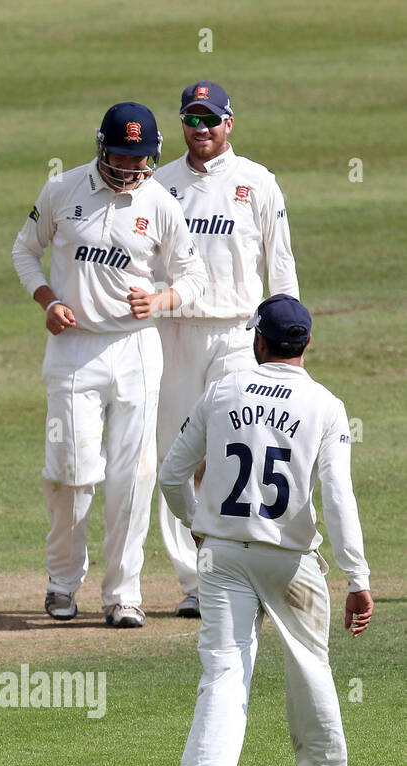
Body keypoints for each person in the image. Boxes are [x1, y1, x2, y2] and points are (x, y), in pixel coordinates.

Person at [159, 294, 374, 766]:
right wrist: (358, 579)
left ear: (258, 340)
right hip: (292, 561)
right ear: (307, 344)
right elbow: (340, 498)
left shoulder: (222, 391)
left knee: (225, 674)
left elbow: (170, 476)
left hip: (222, 555)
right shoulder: (326, 404)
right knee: (309, 667)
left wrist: (196, 524)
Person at [12, 102, 207, 627]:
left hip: (138, 348)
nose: (130, 169)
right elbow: (24, 251)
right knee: (70, 472)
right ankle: (61, 582)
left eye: (139, 159)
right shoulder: (63, 190)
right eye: (120, 157)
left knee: (135, 476)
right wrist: (48, 299)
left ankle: (123, 593)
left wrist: (162, 302)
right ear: (101, 149)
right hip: (74, 348)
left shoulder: (161, 202)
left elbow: (193, 276)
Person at [153, 81, 300, 619]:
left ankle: (249, 571)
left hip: (240, 331)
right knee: (175, 455)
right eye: (192, 119)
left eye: (210, 119)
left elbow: (280, 266)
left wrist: (286, 339)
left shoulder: (257, 182)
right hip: (175, 331)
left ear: (229, 123)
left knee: (241, 448)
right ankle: (196, 582)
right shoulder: (161, 183)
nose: (201, 129)